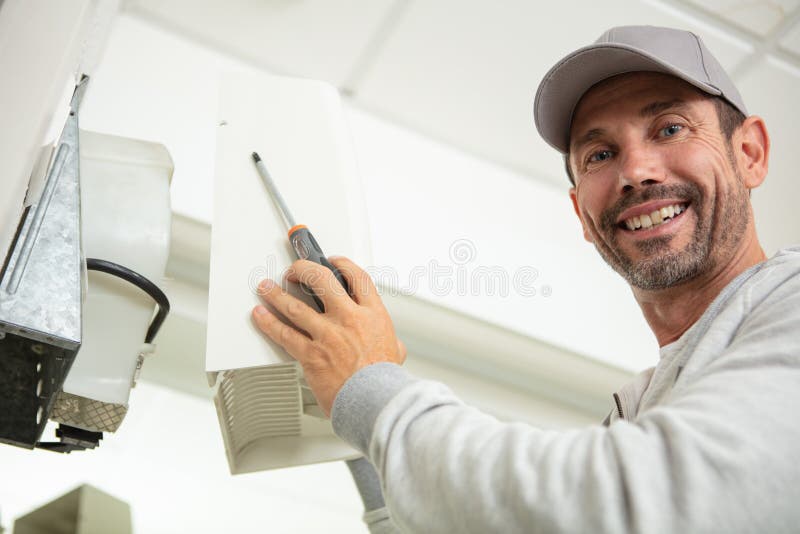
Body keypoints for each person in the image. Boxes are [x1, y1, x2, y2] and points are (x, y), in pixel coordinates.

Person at [251, 25, 800, 533]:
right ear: (582, 215)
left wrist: (370, 391)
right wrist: (351, 407)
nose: (636, 171)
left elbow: (622, 506)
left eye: (670, 127)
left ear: (750, 153)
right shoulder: (637, 411)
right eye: (600, 154)